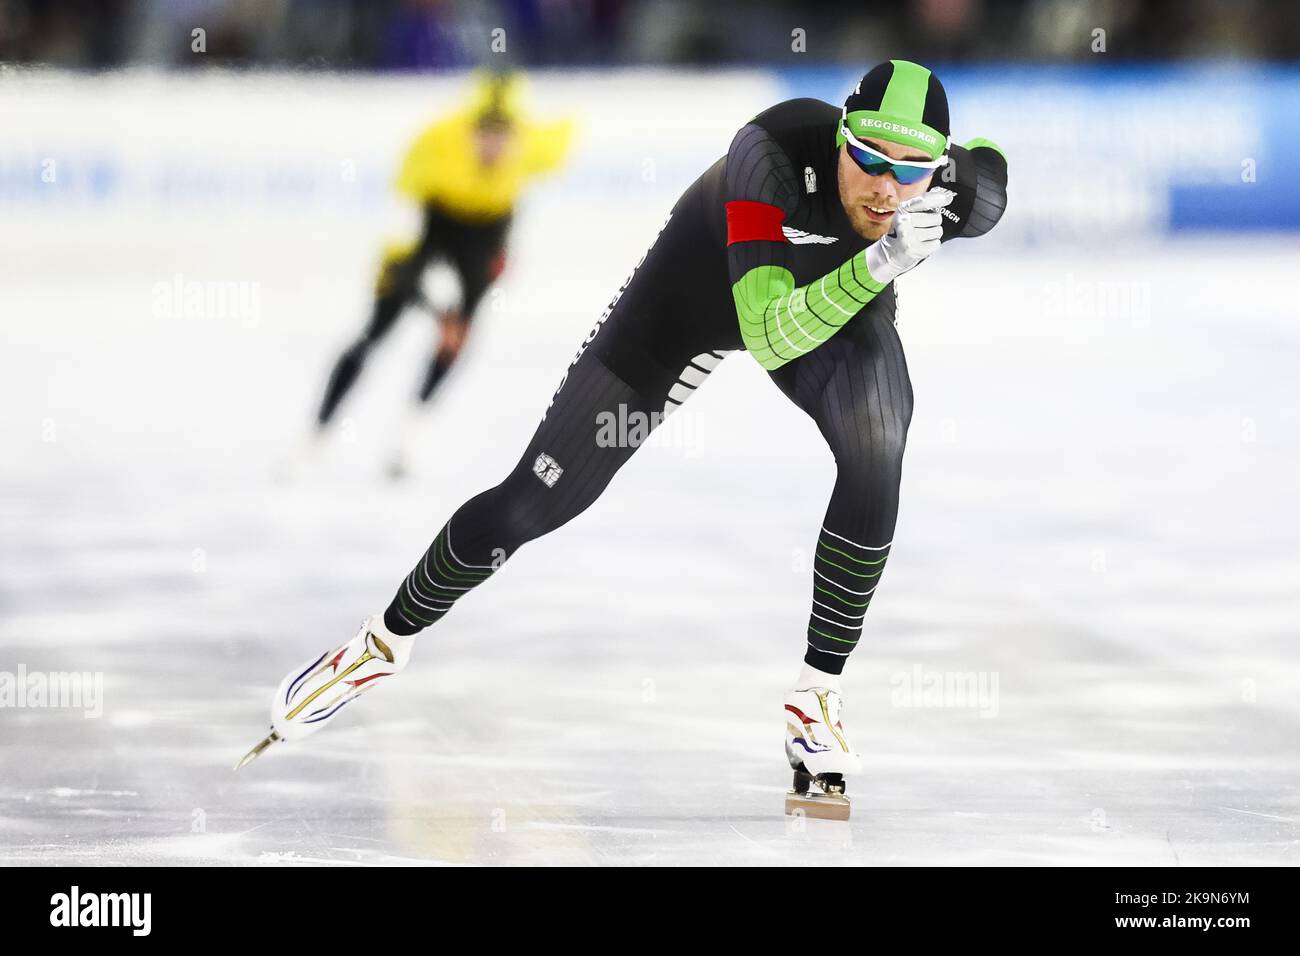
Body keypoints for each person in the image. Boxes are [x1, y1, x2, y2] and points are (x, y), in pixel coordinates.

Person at [242, 60, 1009, 810]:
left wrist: (971, 188)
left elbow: (994, 183)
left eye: (909, 172)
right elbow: (770, 335)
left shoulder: (935, 188)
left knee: (878, 444)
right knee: (531, 505)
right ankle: (381, 642)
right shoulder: (769, 153)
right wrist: (880, 261)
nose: (883, 185)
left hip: (836, 310)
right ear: (842, 137)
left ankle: (817, 698)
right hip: (682, 313)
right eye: (868, 156)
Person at [310, 70, 575, 477]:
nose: (493, 145)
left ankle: (408, 436)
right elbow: (402, 233)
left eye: (504, 134)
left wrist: (500, 256)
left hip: (484, 237)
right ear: (466, 127)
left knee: (457, 338)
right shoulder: (433, 144)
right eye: (483, 132)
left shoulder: (539, 144)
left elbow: (571, 130)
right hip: (427, 231)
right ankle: (319, 432)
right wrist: (433, 304)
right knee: (378, 328)